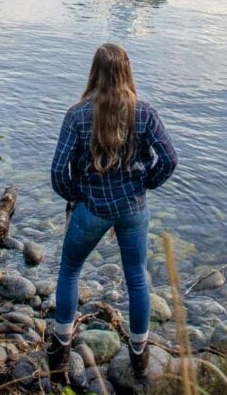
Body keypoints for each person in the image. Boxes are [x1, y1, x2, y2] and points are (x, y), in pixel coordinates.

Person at [48, 43, 178, 383]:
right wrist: (143, 184)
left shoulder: (76, 115)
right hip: (133, 210)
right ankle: (139, 353)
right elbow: (169, 159)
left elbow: (59, 172)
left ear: (94, 72)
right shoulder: (144, 113)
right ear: (127, 71)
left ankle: (60, 346)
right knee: (137, 278)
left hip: (91, 209)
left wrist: (77, 195)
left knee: (70, 271)